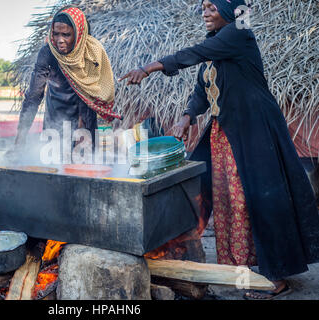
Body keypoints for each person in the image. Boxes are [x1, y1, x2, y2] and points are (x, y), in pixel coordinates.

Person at [120, 0, 319, 299]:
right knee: (224, 198)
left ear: (230, 9)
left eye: (213, 6)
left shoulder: (240, 35)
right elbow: (203, 89)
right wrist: (188, 116)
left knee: (257, 199)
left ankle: (275, 276)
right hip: (225, 133)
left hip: (254, 129)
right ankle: (241, 266)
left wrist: (148, 68)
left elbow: (193, 54)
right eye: (203, 7)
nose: (205, 12)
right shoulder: (217, 48)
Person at [10, 6, 121, 159]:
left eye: (66, 35)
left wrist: (80, 138)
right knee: (53, 167)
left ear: (78, 35)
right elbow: (34, 96)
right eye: (55, 34)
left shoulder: (91, 52)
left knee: (82, 169)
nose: (59, 40)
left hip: (84, 120)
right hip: (55, 118)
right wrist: (20, 138)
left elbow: (89, 95)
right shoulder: (48, 52)